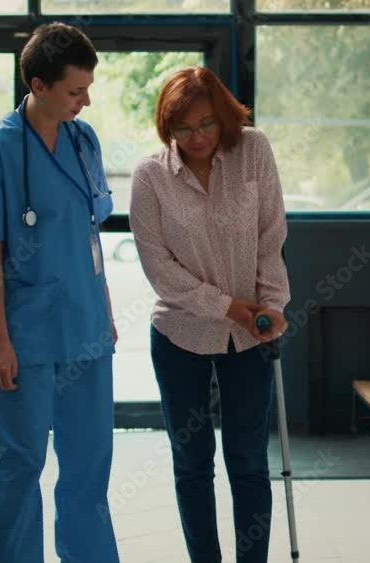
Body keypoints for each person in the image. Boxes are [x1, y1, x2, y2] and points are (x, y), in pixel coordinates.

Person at [0, 23, 120, 563]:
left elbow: (90, 236)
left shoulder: (84, 140)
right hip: (26, 332)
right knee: (23, 461)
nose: (85, 101)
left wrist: (106, 310)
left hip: (86, 325)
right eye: (75, 91)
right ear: (38, 85)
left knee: (89, 463)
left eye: (87, 89)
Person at [129, 67, 290, 563]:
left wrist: (272, 305)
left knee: (248, 460)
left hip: (251, 334)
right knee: (192, 463)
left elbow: (271, 235)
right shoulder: (150, 175)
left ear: (223, 116)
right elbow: (159, 268)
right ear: (167, 127)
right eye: (182, 128)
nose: (196, 137)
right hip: (179, 334)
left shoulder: (253, 150)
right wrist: (226, 307)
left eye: (206, 124)